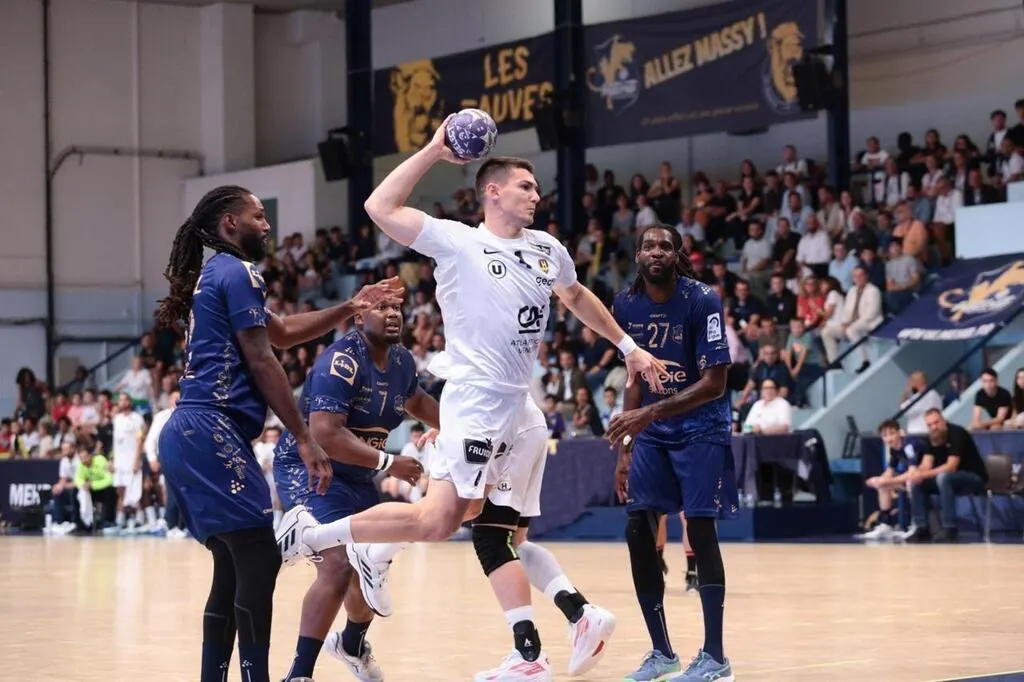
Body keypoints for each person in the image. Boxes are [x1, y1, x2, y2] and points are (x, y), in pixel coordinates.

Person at [276, 118, 667, 682]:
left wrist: (627, 346)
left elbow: (578, 296)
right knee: (437, 523)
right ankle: (316, 537)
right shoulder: (459, 240)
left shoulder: (547, 249)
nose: (536, 195)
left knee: (498, 532)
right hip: (477, 402)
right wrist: (435, 149)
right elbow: (379, 205)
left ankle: (539, 645)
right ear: (493, 191)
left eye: (536, 188)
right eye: (525, 187)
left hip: (519, 408)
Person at [153, 185, 403, 682]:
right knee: (258, 556)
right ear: (230, 223)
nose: (267, 226)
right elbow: (264, 358)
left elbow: (283, 333)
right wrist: (305, 439)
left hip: (190, 430)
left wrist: (352, 307)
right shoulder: (240, 271)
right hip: (211, 425)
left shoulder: (215, 273)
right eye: (258, 216)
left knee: (232, 563)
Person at [276, 298, 438, 682]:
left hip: (358, 476)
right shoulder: (342, 360)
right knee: (336, 564)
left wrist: (455, 428)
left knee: (368, 568)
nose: (394, 313)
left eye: (398, 306)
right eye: (382, 307)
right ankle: (299, 675)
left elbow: (415, 400)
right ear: (359, 316)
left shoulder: (401, 361)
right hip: (313, 469)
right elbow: (325, 434)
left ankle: (351, 643)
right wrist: (389, 463)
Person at [606, 223, 738, 682]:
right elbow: (633, 378)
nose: (656, 251)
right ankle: (662, 652)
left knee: (700, 531)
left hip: (702, 426)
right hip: (653, 433)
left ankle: (716, 658)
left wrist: (648, 415)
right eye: (648, 245)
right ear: (637, 254)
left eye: (665, 246)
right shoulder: (624, 303)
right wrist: (626, 447)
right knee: (636, 528)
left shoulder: (703, 299)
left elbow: (716, 383)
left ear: (678, 255)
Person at [472, 392, 617, 678]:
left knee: (490, 538)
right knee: (515, 541)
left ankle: (529, 655)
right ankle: (580, 613)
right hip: (527, 418)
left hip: (500, 421)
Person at [905, 409, 989, 543]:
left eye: (936, 422)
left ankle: (950, 528)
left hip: (974, 477)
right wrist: (915, 473)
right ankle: (922, 528)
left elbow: (951, 466)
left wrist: (923, 474)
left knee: (944, 477)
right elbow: (926, 464)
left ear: (944, 420)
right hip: (948, 480)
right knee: (918, 482)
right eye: (930, 425)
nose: (934, 427)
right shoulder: (930, 438)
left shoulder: (957, 433)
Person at [859, 420, 920, 541]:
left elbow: (913, 472)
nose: (889, 438)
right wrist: (877, 480)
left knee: (911, 483)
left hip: (922, 476)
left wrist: (887, 481)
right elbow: (889, 471)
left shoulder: (909, 444)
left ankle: (916, 524)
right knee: (883, 486)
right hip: (909, 477)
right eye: (885, 435)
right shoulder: (894, 450)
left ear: (899, 433)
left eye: (892, 433)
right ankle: (886, 525)